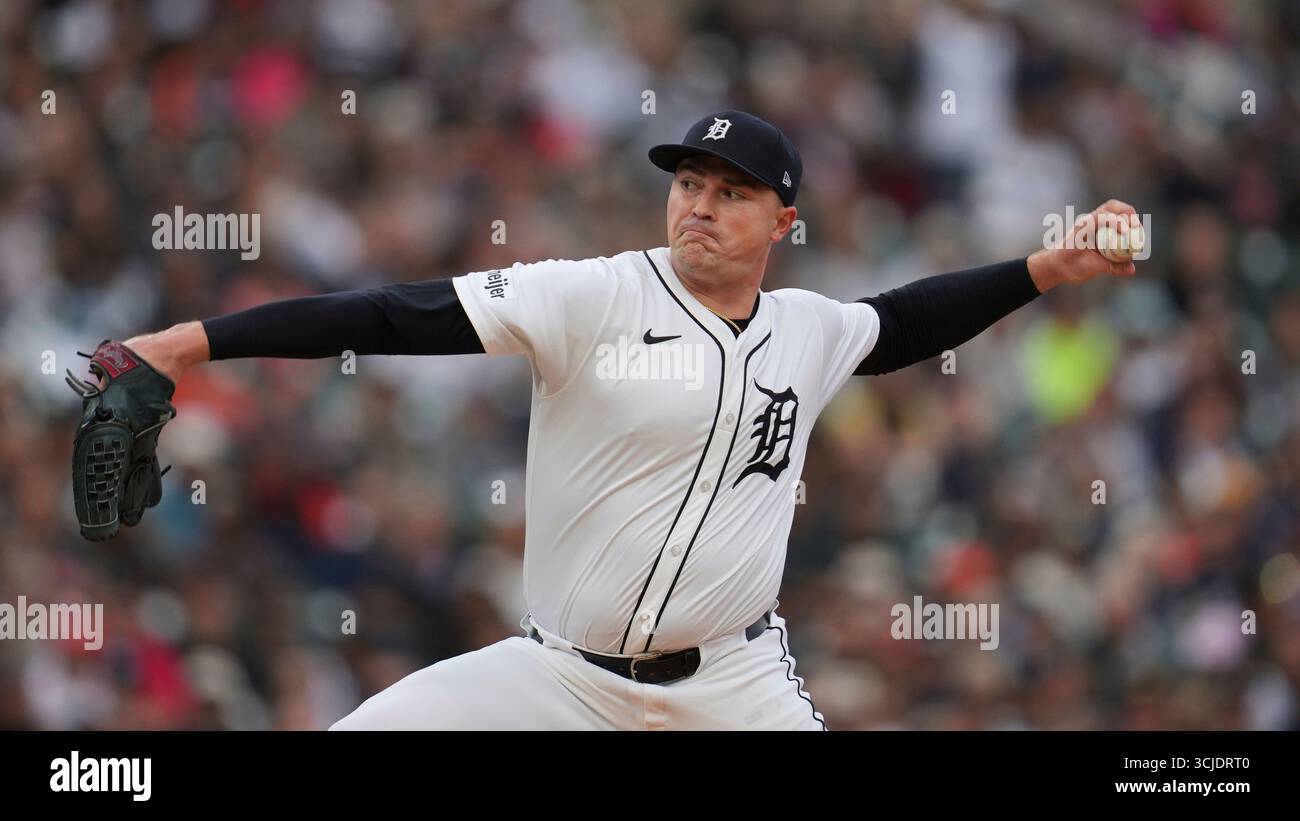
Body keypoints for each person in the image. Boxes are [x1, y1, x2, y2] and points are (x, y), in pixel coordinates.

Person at [99, 110, 1139, 730]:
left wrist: (1050, 265)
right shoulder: (591, 294)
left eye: (731, 193)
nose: (697, 204)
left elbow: (906, 320)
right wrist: (193, 342)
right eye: (688, 182)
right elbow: (391, 314)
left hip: (731, 686)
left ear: (783, 222)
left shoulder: (808, 329)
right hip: (554, 677)